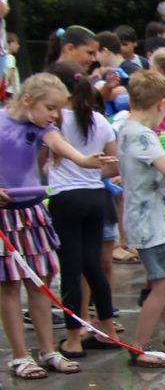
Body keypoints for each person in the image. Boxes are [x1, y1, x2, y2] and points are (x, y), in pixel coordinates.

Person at [0, 72, 108, 378]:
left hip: (32, 211)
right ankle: (20, 355)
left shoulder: (44, 128)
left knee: (40, 283)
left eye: (57, 109)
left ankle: (48, 350)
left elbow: (62, 146)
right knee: (8, 286)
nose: (54, 115)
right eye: (49, 107)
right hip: (5, 214)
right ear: (26, 100)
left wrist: (86, 161)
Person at [44, 62, 119, 361]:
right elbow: (112, 165)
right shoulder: (100, 119)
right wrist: (90, 175)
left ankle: (74, 338)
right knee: (94, 266)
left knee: (71, 267)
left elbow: (40, 160)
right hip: (96, 196)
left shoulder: (53, 120)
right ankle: (109, 329)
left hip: (65, 197)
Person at [113, 70, 165, 367]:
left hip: (160, 217)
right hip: (149, 223)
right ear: (161, 104)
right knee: (163, 283)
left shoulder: (130, 130)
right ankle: (139, 346)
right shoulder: (142, 135)